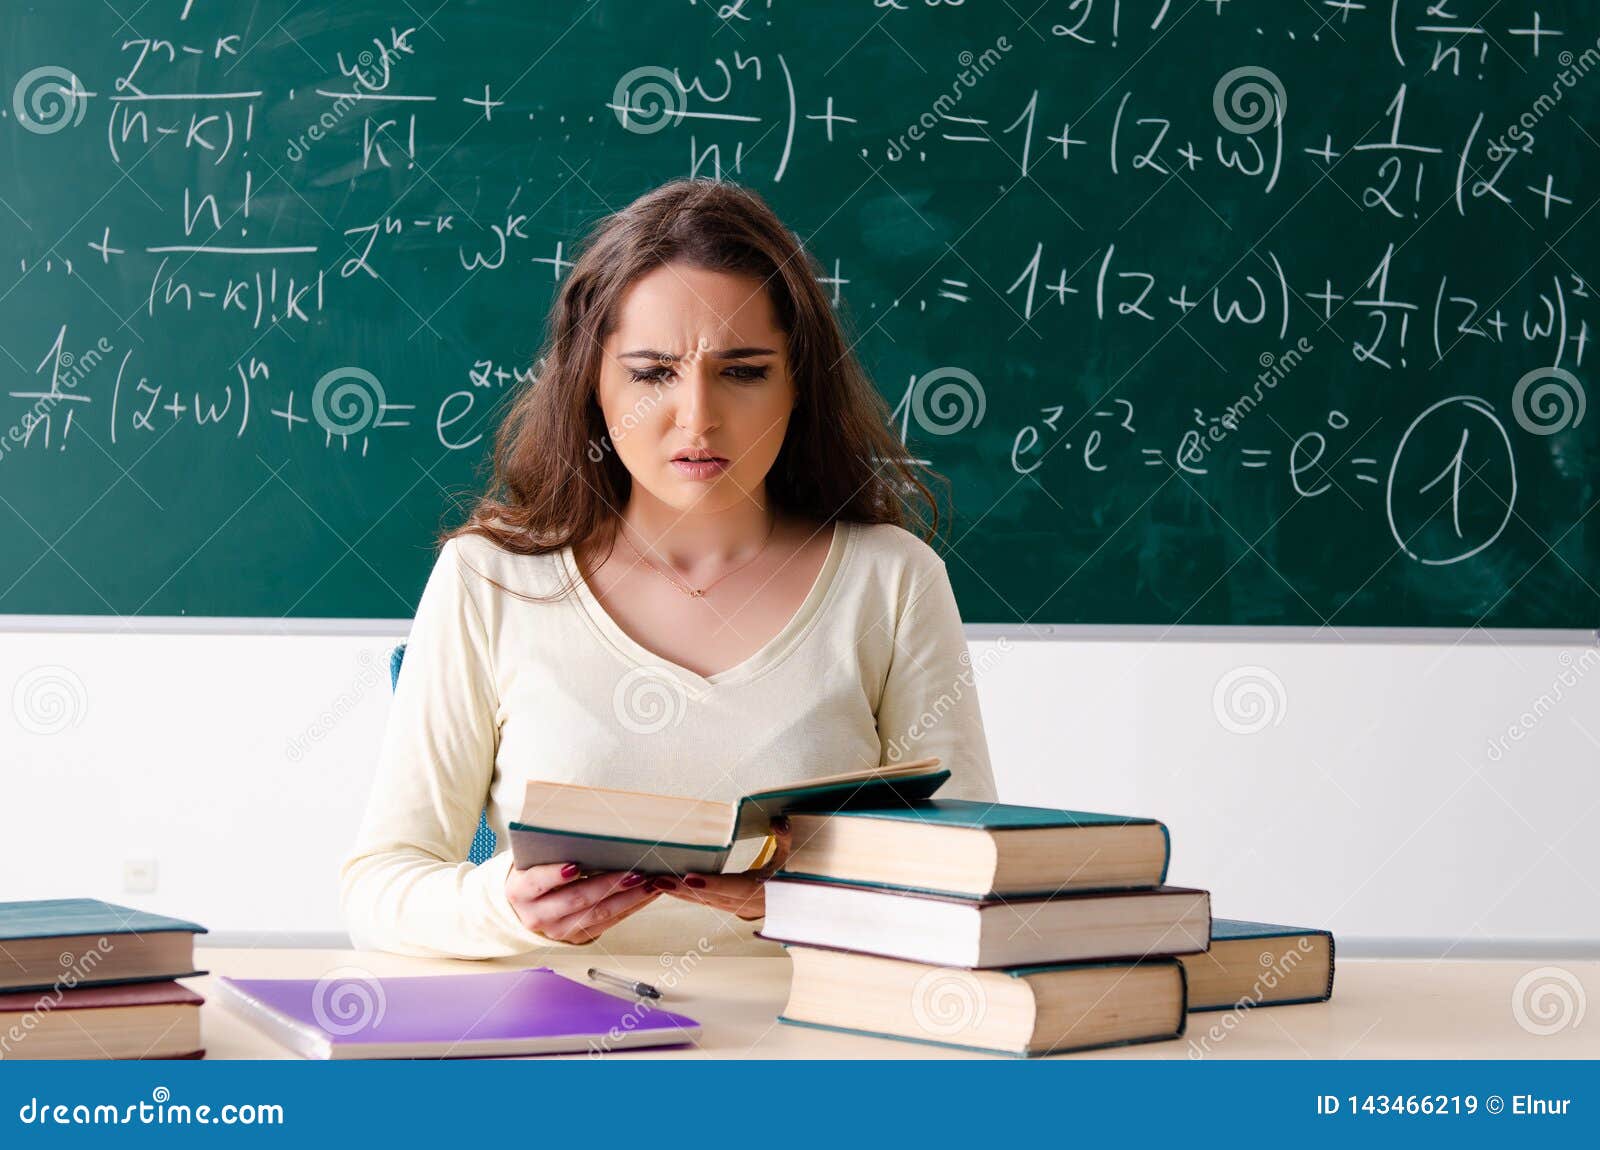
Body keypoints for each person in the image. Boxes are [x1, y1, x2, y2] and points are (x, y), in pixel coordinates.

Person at [339, 178, 998, 960]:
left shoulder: (892, 581)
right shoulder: (488, 579)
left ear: (797, 385)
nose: (697, 418)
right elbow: (380, 889)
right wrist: (507, 906)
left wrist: (795, 901)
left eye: (744, 370)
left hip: (809, 1049)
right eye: (652, 373)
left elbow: (977, 880)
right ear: (592, 382)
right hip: (557, 1050)